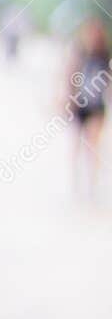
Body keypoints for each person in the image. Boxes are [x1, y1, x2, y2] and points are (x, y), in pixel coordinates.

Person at [68, 19, 110, 199]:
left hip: (96, 106)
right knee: (77, 145)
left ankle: (92, 184)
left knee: (93, 146)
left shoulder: (105, 56)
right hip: (80, 104)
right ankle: (76, 182)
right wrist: (69, 98)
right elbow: (70, 75)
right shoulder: (80, 53)